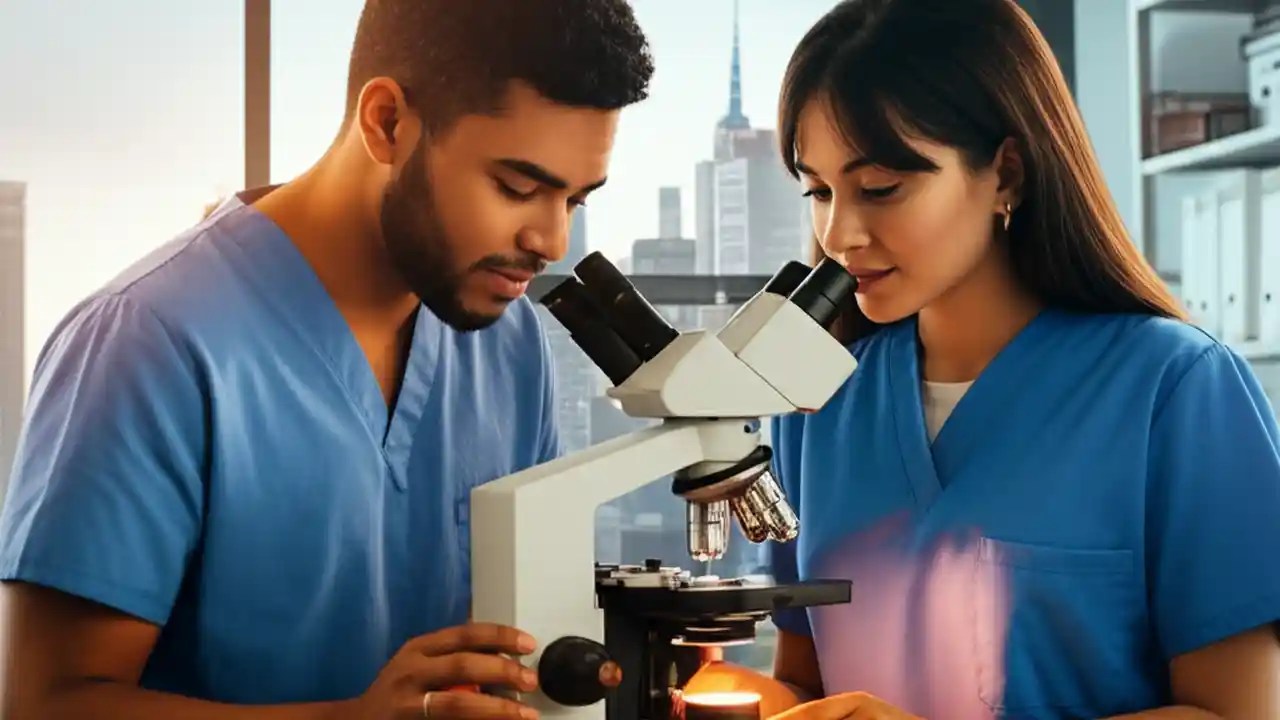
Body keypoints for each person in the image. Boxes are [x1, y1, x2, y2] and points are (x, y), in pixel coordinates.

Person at [0, 1, 652, 718]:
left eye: (576, 198)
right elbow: (49, 703)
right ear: (387, 123)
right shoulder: (144, 343)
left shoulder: (513, 344)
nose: (552, 240)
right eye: (517, 188)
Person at [686, 1, 1280, 718]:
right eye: (818, 191)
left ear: (1006, 173)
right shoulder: (819, 406)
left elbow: (1238, 711)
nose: (839, 232)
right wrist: (730, 696)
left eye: (880, 188)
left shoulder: (1177, 391)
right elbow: (810, 688)